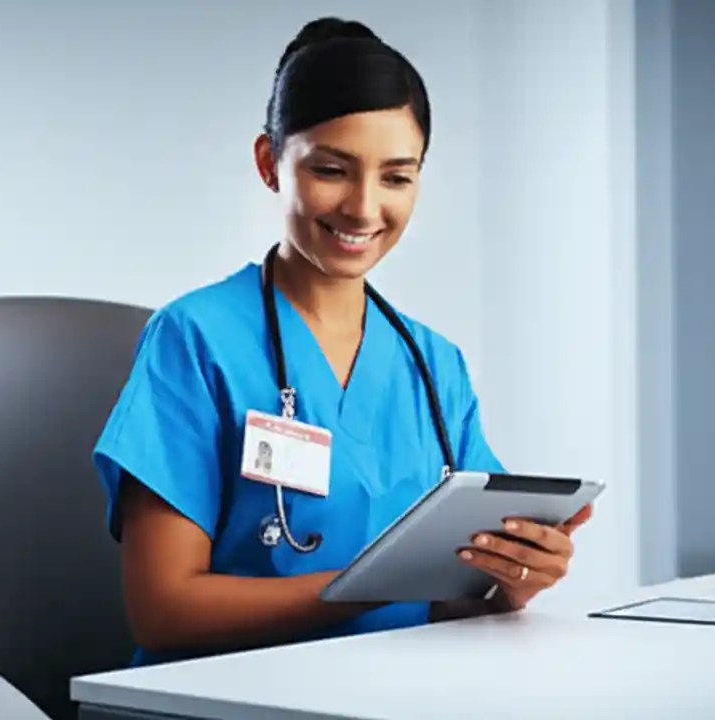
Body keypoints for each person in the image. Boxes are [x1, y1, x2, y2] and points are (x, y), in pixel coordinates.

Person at [92, 16, 593, 666]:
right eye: (332, 169)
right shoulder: (194, 339)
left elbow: (456, 596)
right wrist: (364, 587)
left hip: (389, 693)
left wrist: (512, 579)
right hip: (223, 702)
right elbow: (163, 611)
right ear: (271, 164)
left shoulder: (434, 364)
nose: (363, 208)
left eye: (396, 177)